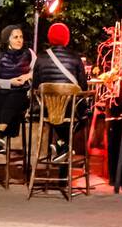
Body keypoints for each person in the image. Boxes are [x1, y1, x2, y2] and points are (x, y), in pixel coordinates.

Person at [31, 21, 88, 163]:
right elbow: (83, 87)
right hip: (71, 109)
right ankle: (63, 145)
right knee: (85, 115)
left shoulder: (41, 58)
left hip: (47, 110)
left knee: (56, 116)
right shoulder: (75, 58)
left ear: (50, 38)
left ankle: (61, 145)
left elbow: (36, 86)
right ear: (67, 38)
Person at [0, 24, 34, 153]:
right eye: (15, 37)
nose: (19, 40)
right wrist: (9, 83)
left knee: (17, 97)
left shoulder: (29, 53)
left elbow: (37, 70)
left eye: (21, 37)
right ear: (7, 39)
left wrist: (27, 76)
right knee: (12, 101)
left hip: (18, 95)